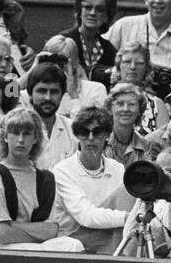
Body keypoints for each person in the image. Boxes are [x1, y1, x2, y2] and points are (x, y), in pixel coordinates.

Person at [0, 105, 84, 251]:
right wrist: (37, 232)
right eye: (15, 133)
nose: (21, 140)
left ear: (36, 138)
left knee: (74, 244)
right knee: (70, 248)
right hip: (3, 249)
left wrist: (11, 224)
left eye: (27, 134)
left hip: (36, 246)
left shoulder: (44, 179)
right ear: (5, 137)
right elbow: (2, 234)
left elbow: (52, 230)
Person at [51, 103, 133, 253]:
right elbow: (85, 216)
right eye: (84, 132)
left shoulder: (117, 168)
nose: (90, 138)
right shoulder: (63, 170)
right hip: (73, 240)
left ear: (107, 135)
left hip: (111, 234)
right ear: (77, 135)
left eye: (97, 132)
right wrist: (131, 217)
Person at [60, 0, 117, 81]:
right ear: (79, 12)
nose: (92, 13)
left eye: (100, 9)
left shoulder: (109, 50)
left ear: (107, 16)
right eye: (87, 7)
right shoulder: (63, 41)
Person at [26, 60, 75, 171]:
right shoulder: (18, 129)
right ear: (30, 94)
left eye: (54, 92)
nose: (47, 97)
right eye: (41, 91)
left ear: (62, 95)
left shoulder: (72, 130)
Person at [104, 80, 149, 166]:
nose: (125, 109)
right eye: (120, 104)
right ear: (110, 108)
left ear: (140, 110)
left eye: (131, 104)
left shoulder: (145, 145)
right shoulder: (99, 140)